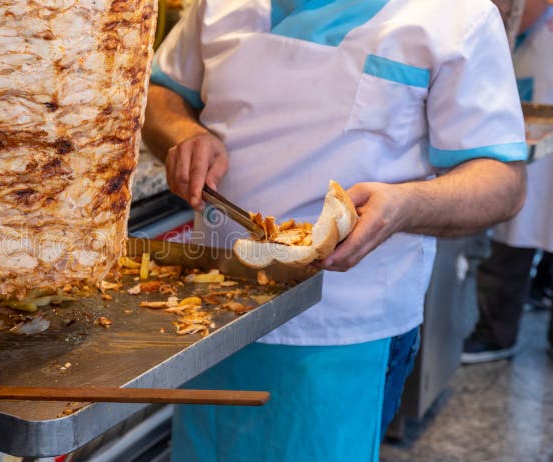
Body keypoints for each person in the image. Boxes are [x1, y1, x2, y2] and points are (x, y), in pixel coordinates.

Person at [142, 0, 527, 460]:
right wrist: (183, 134)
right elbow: (159, 95)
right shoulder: (218, 6)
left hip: (346, 329)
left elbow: (502, 180)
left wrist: (405, 205)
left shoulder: (455, 15)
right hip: (212, 311)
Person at [462, 0, 553, 364]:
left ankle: (497, 330)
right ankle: (495, 331)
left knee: (524, 216)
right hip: (535, 85)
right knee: (521, 218)